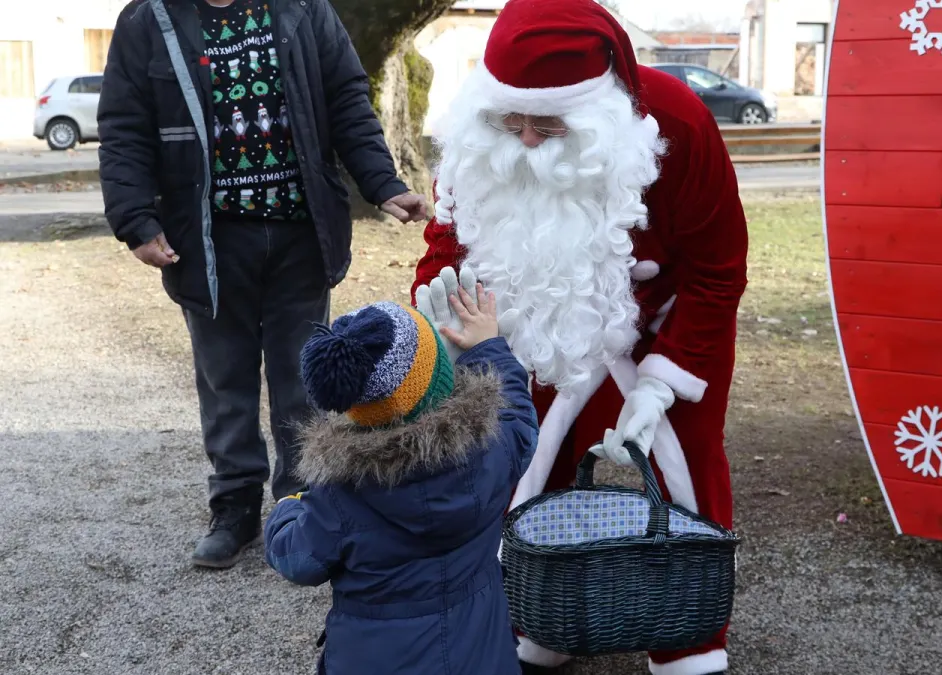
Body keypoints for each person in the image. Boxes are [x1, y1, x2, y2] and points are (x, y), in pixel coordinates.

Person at [410, 0, 748, 673]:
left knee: (682, 467)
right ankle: (548, 612)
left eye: (550, 125)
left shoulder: (677, 121)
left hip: (662, 320)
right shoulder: (480, 129)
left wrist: (662, 381)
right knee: (533, 462)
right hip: (532, 317)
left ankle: (687, 636)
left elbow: (719, 265)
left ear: (601, 110)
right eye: (514, 122)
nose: (528, 142)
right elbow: (451, 232)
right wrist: (437, 298)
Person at [97, 0, 428, 569]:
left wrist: (381, 182)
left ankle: (302, 506)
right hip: (205, 236)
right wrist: (135, 220)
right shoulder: (148, 20)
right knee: (224, 378)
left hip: (301, 232)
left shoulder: (304, 10)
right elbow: (124, 128)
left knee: (301, 377)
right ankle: (234, 507)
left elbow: (347, 99)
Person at [263, 288, 538, 675]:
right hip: (481, 655)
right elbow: (520, 415)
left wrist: (286, 510)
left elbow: (299, 561)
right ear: (441, 377)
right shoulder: (493, 451)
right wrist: (489, 347)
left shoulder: (339, 493)